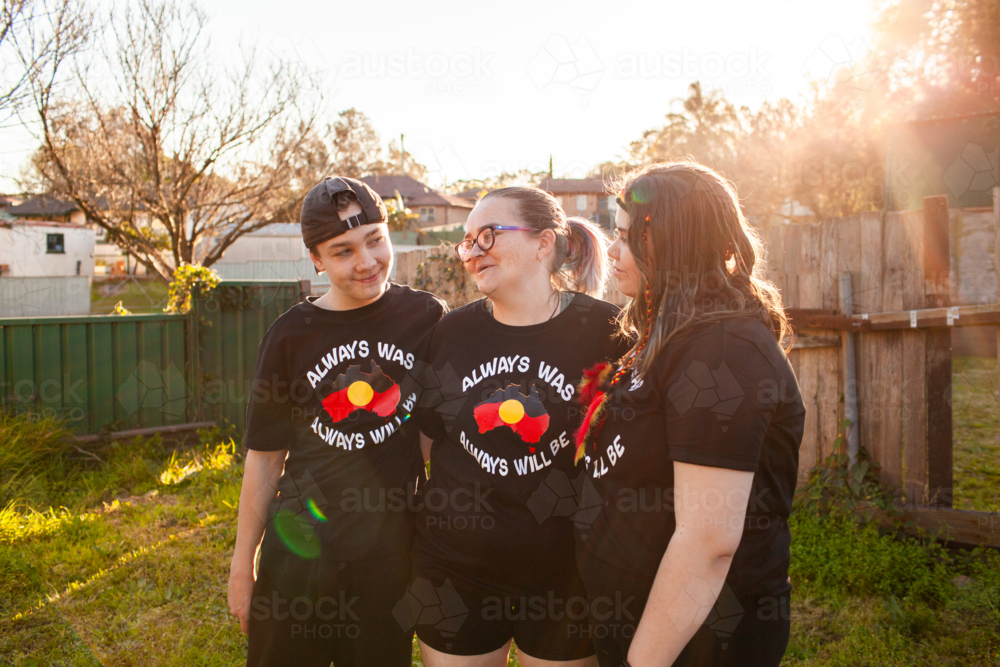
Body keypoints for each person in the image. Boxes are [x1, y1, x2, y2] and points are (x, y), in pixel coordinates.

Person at [574, 162, 805, 667]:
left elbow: (708, 543)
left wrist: (643, 661)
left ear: (675, 244)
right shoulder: (672, 334)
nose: (613, 251)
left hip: (698, 640)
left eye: (627, 238)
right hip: (640, 620)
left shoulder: (722, 352)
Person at [227, 176, 447, 667]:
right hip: (299, 550)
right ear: (317, 260)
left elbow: (435, 438)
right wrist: (244, 563)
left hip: (388, 557)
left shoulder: (426, 316)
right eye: (343, 251)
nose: (367, 262)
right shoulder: (290, 335)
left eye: (375, 240)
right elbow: (264, 460)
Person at [412, 190, 632, 666]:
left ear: (543, 243)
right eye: (467, 242)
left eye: (487, 236)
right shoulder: (452, 334)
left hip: (565, 573)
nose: (472, 252)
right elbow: (428, 443)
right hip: (456, 570)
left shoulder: (606, 332)